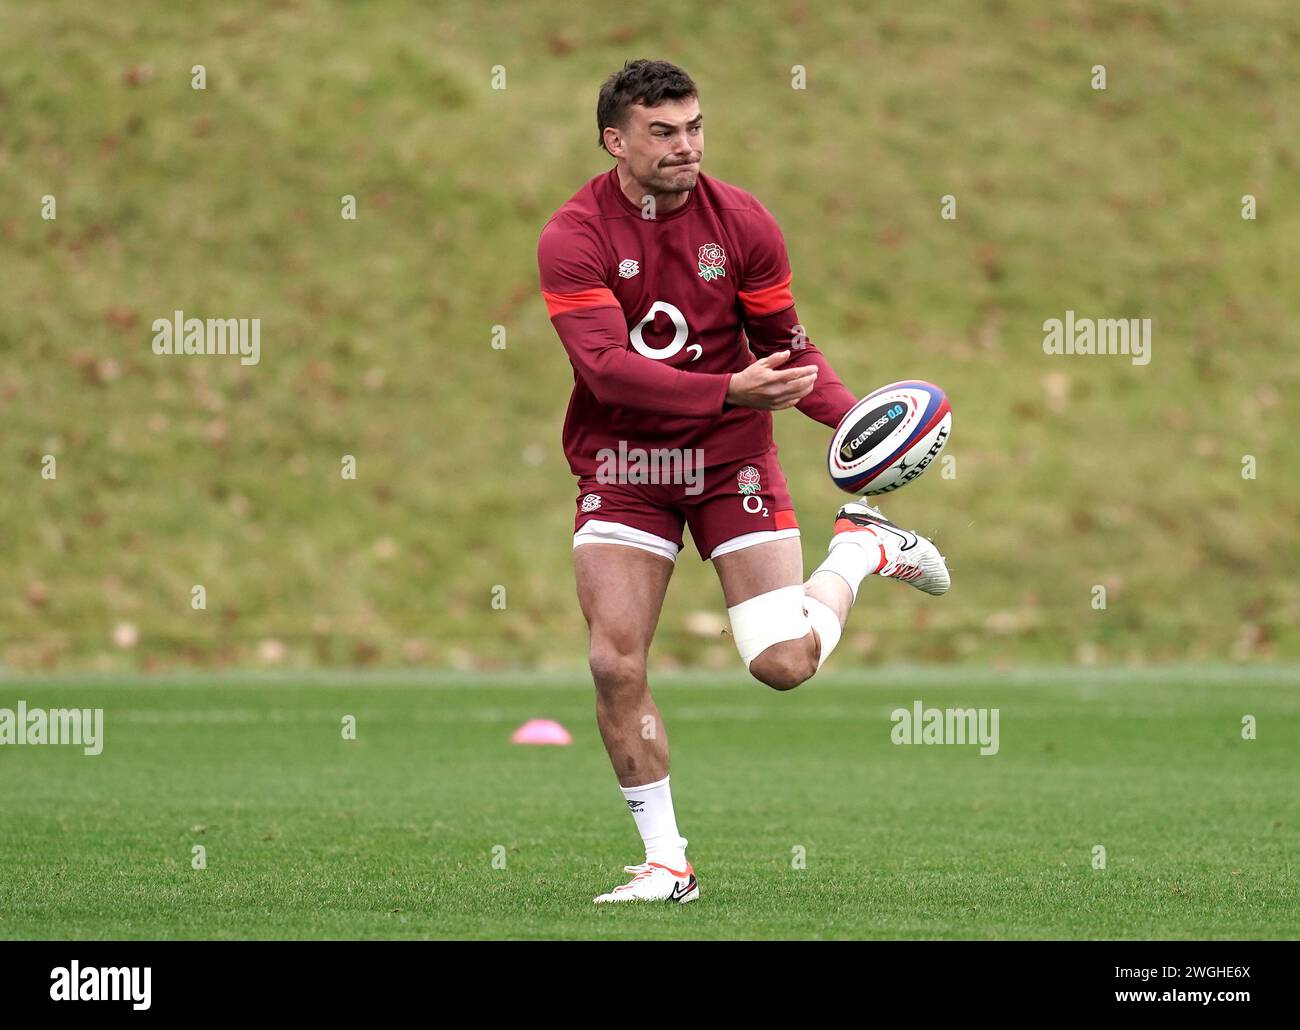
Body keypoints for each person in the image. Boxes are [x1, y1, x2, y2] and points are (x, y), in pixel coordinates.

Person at [537, 59, 950, 905]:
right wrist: (728, 387)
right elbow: (609, 373)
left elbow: (791, 353)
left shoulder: (746, 223)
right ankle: (667, 864)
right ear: (615, 140)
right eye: (663, 132)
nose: (685, 146)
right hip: (627, 467)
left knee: (783, 664)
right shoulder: (574, 235)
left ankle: (863, 549)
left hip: (732, 461)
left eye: (693, 127)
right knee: (614, 661)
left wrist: (857, 424)